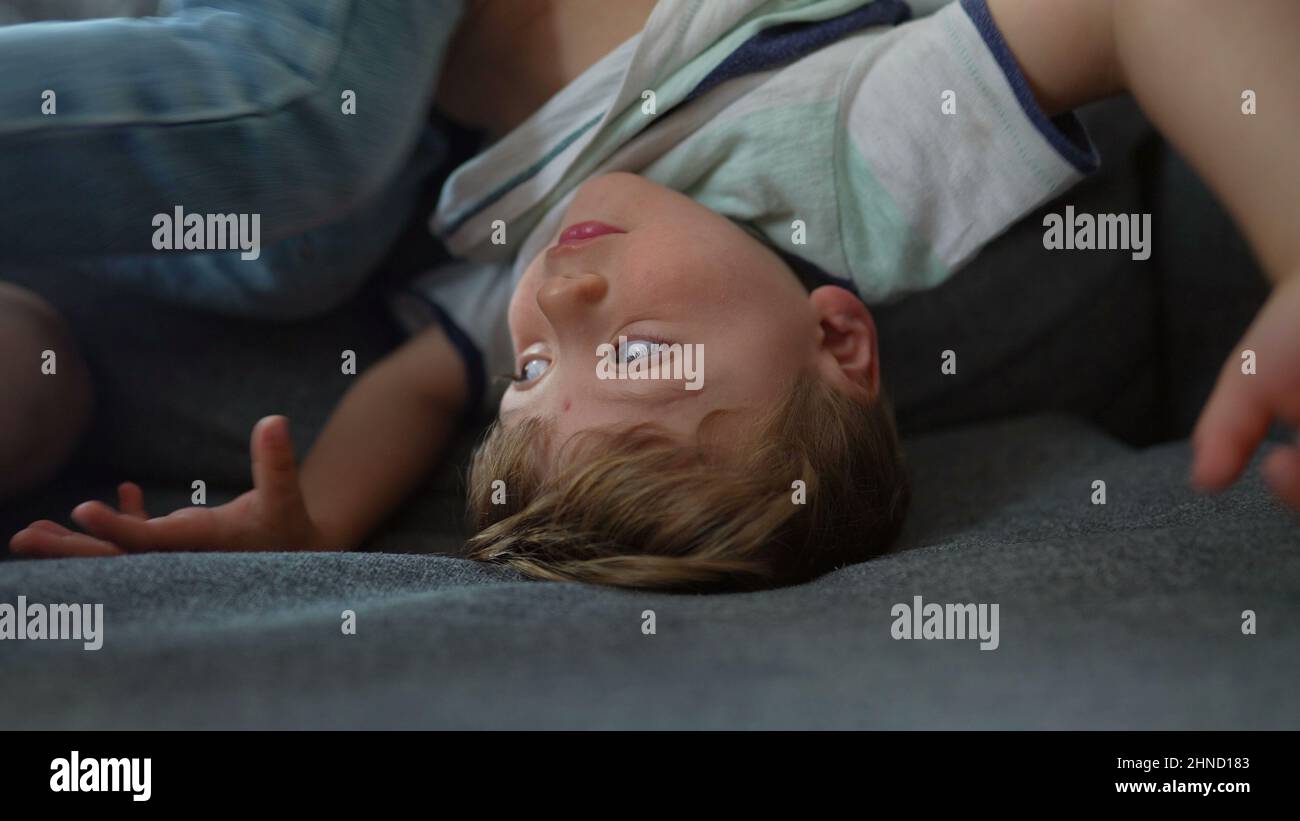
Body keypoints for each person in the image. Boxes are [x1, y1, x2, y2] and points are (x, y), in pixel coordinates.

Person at [9, 0, 1300, 591]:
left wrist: (316, 528)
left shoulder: (540, 271)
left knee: (293, 252)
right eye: (636, 350)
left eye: (529, 377)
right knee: (305, 154)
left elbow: (420, 381)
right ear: (837, 334)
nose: (558, 299)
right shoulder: (847, 170)